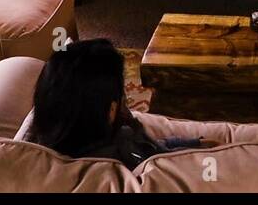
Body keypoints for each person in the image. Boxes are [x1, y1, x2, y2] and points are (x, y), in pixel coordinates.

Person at [30, 38, 213, 169]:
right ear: (110, 111)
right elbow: (157, 158)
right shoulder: (125, 165)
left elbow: (150, 147)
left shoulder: (41, 145)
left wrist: (193, 143)